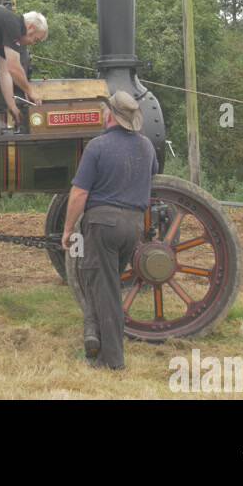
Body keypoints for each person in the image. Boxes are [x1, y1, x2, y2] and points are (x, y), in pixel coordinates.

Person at [60, 91, 159, 370]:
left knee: (107, 292)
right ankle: (92, 337)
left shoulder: (97, 146)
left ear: (109, 115)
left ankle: (111, 362)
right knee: (101, 283)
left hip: (102, 225)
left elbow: (79, 193)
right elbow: (151, 177)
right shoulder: (146, 146)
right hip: (133, 227)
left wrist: (68, 229)